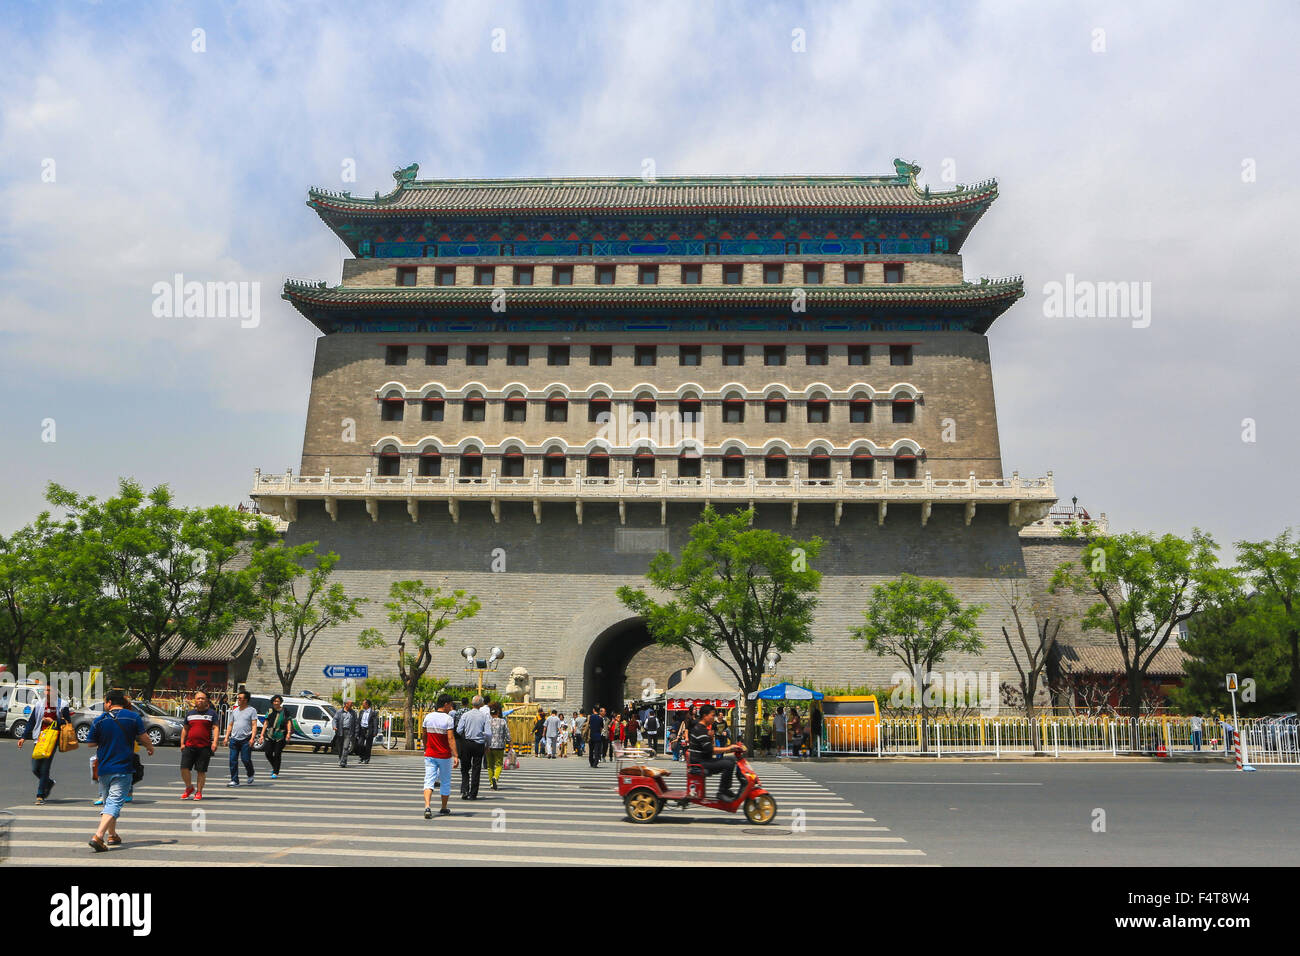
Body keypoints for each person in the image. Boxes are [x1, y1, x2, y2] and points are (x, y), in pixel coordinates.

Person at [87, 689, 154, 851]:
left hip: (103, 768)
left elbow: (90, 743)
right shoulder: (133, 717)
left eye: (105, 702)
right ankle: (98, 836)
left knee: (108, 802)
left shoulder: (100, 720)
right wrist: (150, 747)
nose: (104, 705)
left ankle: (112, 835)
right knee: (114, 803)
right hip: (123, 767)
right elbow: (144, 737)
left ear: (109, 702)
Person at [17, 682, 69, 805]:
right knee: (35, 768)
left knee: (45, 768)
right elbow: (31, 721)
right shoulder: (40, 704)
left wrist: (53, 721)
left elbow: (67, 722)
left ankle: (40, 795)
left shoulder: (63, 704)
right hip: (39, 739)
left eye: (49, 690)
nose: (46, 693)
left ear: (55, 692)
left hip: (53, 739)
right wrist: (23, 737)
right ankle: (48, 782)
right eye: (45, 690)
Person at [688, 704, 744, 799]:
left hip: (704, 760)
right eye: (712, 715)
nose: (714, 718)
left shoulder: (703, 729)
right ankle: (722, 792)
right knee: (728, 764)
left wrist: (710, 737)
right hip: (700, 763)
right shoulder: (700, 730)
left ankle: (726, 789)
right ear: (705, 716)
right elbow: (711, 750)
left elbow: (707, 747)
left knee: (731, 760)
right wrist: (729, 748)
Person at [422, 694, 459, 818]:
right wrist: (456, 755)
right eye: (450, 705)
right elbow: (450, 738)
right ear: (445, 704)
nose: (451, 707)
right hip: (444, 755)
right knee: (445, 782)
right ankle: (443, 807)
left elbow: (424, 735)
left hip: (430, 754)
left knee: (429, 780)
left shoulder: (428, 717)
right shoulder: (448, 719)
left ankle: (427, 806)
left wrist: (426, 747)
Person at [180, 690, 219, 799]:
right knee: (184, 768)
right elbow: (185, 729)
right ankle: (189, 787)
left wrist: (215, 742)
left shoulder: (212, 713)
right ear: (195, 700)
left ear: (207, 700)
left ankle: (199, 792)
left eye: (202, 698)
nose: (200, 700)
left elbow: (215, 728)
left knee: (201, 771)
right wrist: (182, 742)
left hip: (204, 747)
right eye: (198, 698)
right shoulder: (190, 714)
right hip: (189, 745)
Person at [458, 694, 491, 798]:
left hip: (467, 743)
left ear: (472, 703)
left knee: (465, 768)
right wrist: (487, 745)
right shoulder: (484, 716)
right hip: (479, 744)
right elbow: (489, 733)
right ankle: (473, 793)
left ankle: (464, 790)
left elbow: (459, 730)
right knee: (476, 769)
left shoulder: (465, 715)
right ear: (481, 704)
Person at [222, 690, 258, 786]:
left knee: (245, 759)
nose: (238, 700)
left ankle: (250, 773)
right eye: (238, 698)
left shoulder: (252, 710)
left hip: (246, 739)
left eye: (241, 698)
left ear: (246, 700)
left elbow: (254, 725)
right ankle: (234, 780)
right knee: (232, 760)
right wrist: (226, 737)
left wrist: (252, 738)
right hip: (234, 739)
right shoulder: (235, 711)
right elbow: (230, 725)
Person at [257, 695, 291, 778]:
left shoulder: (285, 711)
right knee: (268, 753)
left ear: (280, 702)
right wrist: (261, 735)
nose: (276, 703)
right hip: (270, 734)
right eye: (274, 701)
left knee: (277, 754)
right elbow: (266, 723)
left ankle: (275, 772)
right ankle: (274, 767)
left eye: (277, 701)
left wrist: (288, 733)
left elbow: (288, 722)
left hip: (281, 735)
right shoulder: (270, 710)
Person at [485, 701, 512, 790]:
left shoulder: (488, 722)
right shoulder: (503, 722)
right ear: (498, 712)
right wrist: (509, 742)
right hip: (500, 746)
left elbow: (485, 733)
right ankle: (495, 778)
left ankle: (491, 784)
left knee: (490, 765)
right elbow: (507, 734)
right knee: (499, 764)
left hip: (489, 746)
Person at [333, 699, 358, 767]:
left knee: (346, 747)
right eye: (350, 704)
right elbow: (335, 719)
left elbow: (356, 723)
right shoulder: (339, 712)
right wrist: (334, 726)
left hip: (349, 732)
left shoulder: (353, 713)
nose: (352, 705)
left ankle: (343, 762)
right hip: (340, 731)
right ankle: (342, 759)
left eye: (352, 704)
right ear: (346, 704)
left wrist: (356, 732)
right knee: (340, 747)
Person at [357, 699, 379, 764]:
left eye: (363, 703)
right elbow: (358, 721)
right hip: (362, 729)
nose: (362, 704)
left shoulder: (373, 713)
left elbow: (375, 723)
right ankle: (361, 756)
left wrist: (375, 732)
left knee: (368, 745)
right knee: (360, 744)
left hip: (369, 730)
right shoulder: (361, 712)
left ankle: (367, 758)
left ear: (367, 704)